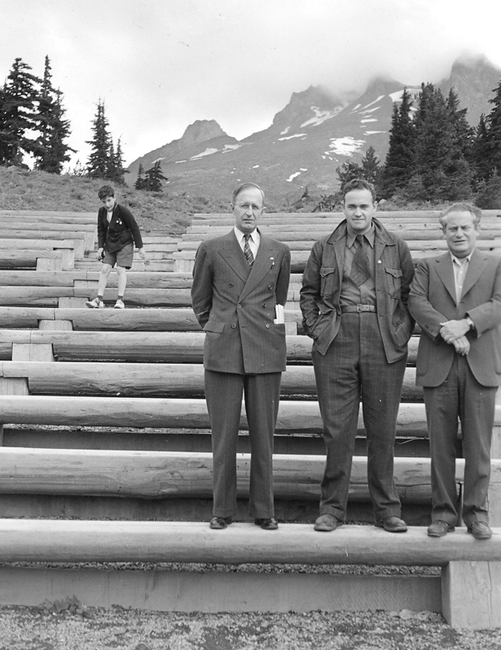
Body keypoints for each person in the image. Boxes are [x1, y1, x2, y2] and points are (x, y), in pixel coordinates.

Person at [300, 178, 415, 533]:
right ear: (343, 208)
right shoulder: (324, 247)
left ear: (375, 207)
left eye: (364, 206)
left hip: (383, 339)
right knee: (337, 430)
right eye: (352, 206)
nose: (358, 212)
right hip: (337, 336)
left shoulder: (396, 246)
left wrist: (399, 333)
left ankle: (387, 510)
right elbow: (308, 294)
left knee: (383, 428)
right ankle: (332, 509)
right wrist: (318, 329)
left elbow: (410, 296)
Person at [191, 182, 291, 530]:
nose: (249, 212)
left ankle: (264, 510)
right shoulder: (211, 248)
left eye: (255, 207)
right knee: (224, 436)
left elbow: (278, 301)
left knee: (264, 436)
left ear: (263, 210)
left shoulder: (279, 250)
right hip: (225, 350)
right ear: (232, 207)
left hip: (265, 349)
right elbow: (200, 301)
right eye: (243, 205)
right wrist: (221, 327)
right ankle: (222, 509)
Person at [408, 202, 501, 540]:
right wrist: (448, 331)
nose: (459, 234)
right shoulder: (427, 267)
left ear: (477, 229)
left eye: (465, 228)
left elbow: (499, 303)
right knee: (441, 446)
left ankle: (476, 515)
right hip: (439, 365)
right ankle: (443, 514)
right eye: (452, 228)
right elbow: (417, 302)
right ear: (443, 232)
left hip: (481, 366)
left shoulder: (495, 264)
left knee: (479, 446)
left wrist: (467, 325)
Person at [86, 185, 145, 309]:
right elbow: (101, 230)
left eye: (109, 200)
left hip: (125, 243)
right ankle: (99, 299)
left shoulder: (123, 211)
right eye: (104, 202)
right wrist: (100, 247)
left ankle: (120, 300)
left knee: (120, 269)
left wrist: (140, 247)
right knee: (105, 269)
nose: (107, 204)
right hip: (110, 244)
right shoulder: (101, 212)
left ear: (114, 198)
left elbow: (134, 227)